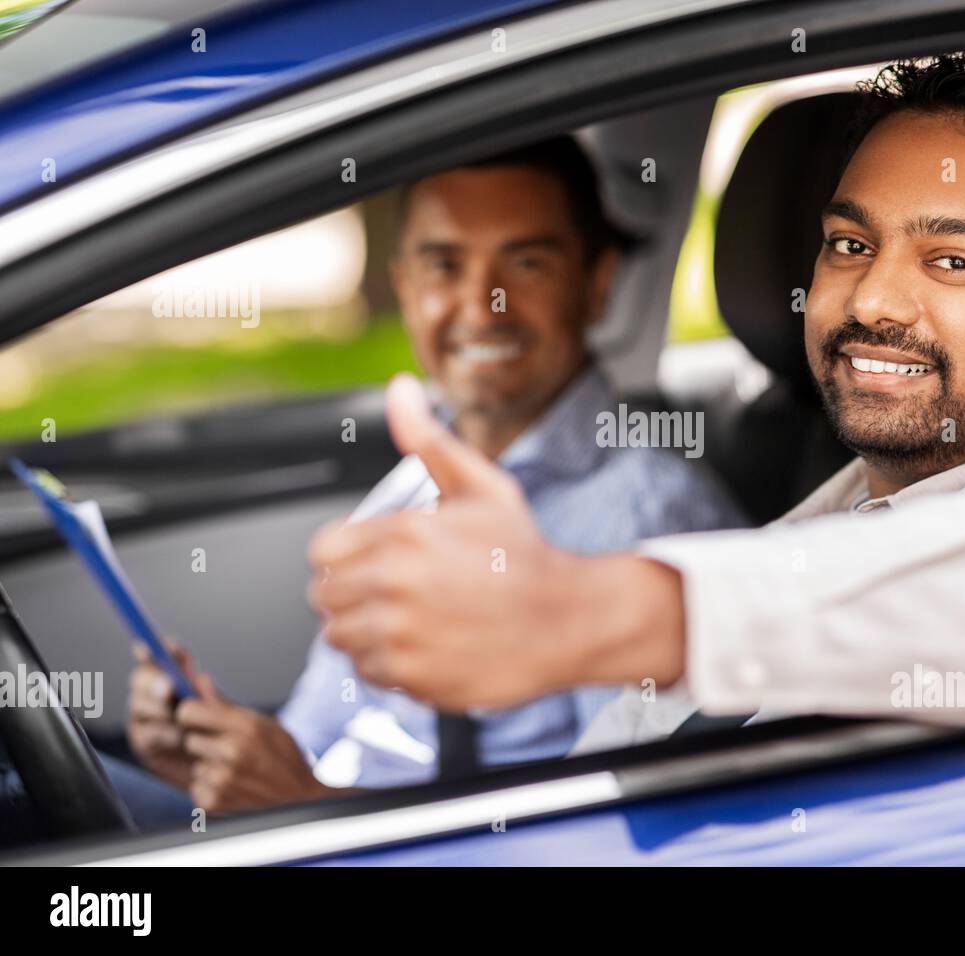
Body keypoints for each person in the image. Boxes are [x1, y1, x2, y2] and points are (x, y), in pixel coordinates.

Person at [305, 48, 965, 748]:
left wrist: (593, 612)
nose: (872, 299)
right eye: (849, 245)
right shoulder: (824, 518)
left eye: (955, 261)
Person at [123, 136, 746, 816]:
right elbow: (315, 734)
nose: (483, 307)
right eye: (445, 266)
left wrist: (309, 803)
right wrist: (214, 761)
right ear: (406, 287)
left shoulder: (650, 519)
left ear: (596, 286)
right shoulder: (414, 482)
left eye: (527, 263)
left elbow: (619, 835)